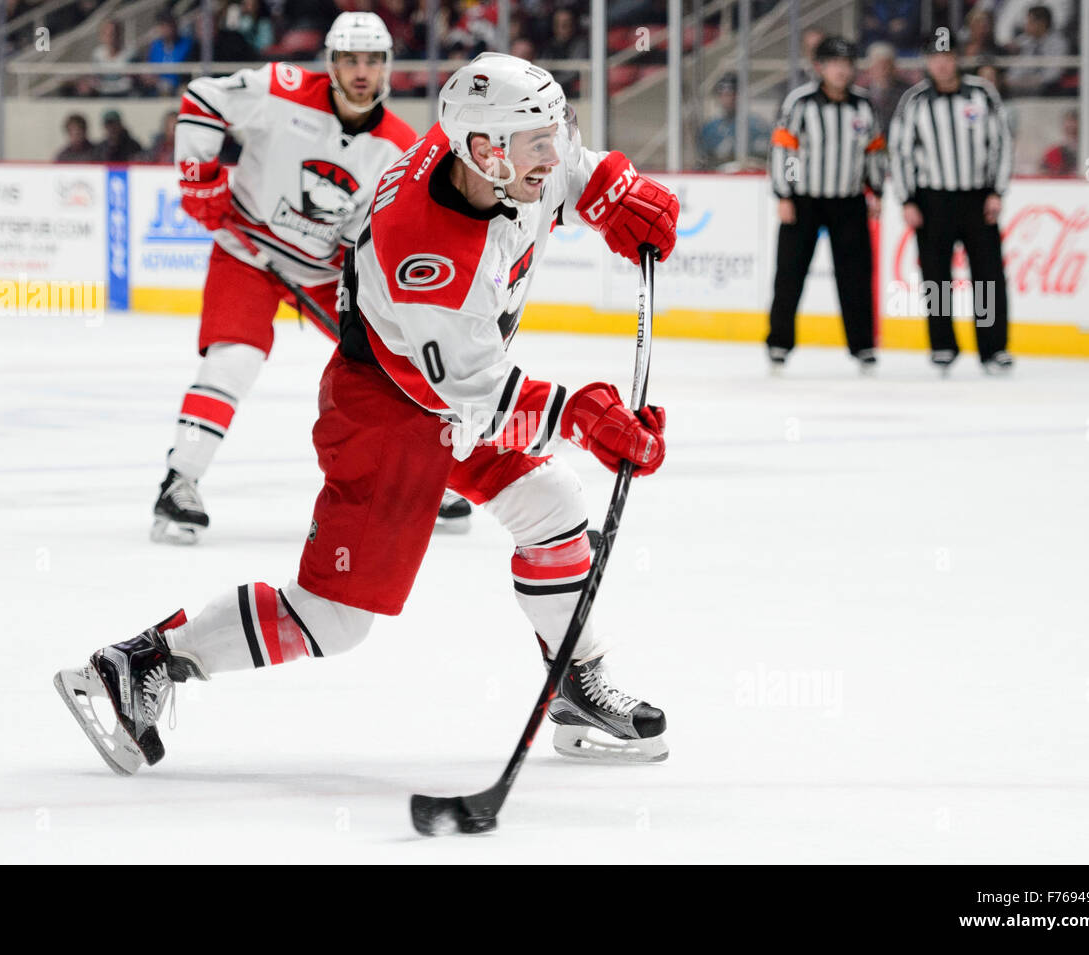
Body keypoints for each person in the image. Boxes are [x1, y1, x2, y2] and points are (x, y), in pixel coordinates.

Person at [55, 52, 679, 775]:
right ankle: (144, 662)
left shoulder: (490, 158)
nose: (554, 151)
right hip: (387, 413)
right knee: (333, 618)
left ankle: (574, 682)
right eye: (536, 140)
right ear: (483, 149)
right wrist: (582, 416)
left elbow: (572, 168)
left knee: (553, 503)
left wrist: (610, 187)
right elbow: (480, 398)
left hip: (439, 391)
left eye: (552, 133)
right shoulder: (430, 255)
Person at [148, 11, 451, 545]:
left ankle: (430, 476)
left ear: (388, 68)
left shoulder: (401, 146)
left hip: (324, 270)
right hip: (247, 250)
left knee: (394, 362)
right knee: (235, 358)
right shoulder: (283, 88)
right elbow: (204, 95)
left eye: (373, 61)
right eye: (350, 60)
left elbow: (387, 234)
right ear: (330, 64)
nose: (361, 72)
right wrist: (200, 179)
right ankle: (180, 481)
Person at [889, 32, 1015, 375]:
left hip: (977, 197)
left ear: (957, 57)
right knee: (936, 277)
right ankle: (943, 345)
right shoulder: (914, 100)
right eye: (935, 56)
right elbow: (900, 152)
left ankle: (993, 349)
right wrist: (908, 199)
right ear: (927, 61)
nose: (942, 63)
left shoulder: (981, 93)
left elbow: (1001, 142)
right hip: (933, 200)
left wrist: (996, 191)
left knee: (988, 276)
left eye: (947, 55)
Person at [766, 36, 886, 375]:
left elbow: (874, 151)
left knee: (856, 277)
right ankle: (779, 343)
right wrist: (784, 194)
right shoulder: (800, 103)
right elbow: (783, 149)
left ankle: (863, 345)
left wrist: (875, 191)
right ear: (820, 67)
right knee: (790, 274)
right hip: (804, 201)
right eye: (834, 63)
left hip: (848, 201)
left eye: (847, 63)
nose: (841, 69)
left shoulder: (864, 106)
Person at [697, 74, 771, 170]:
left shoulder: (757, 126)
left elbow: (763, 156)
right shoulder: (710, 129)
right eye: (723, 94)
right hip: (718, 177)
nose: (728, 99)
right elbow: (704, 158)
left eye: (731, 94)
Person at [1004, 5, 1070, 97]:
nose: (1026, 25)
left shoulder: (1059, 43)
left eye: (1030, 22)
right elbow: (1013, 74)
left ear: (1042, 23)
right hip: (1022, 88)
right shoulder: (1022, 41)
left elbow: (1053, 75)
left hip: (1048, 90)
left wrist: (1034, 81)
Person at [1039, 108, 1089, 177]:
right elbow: (1043, 176)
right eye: (1069, 130)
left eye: (1076, 131)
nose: (1072, 135)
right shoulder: (1054, 153)